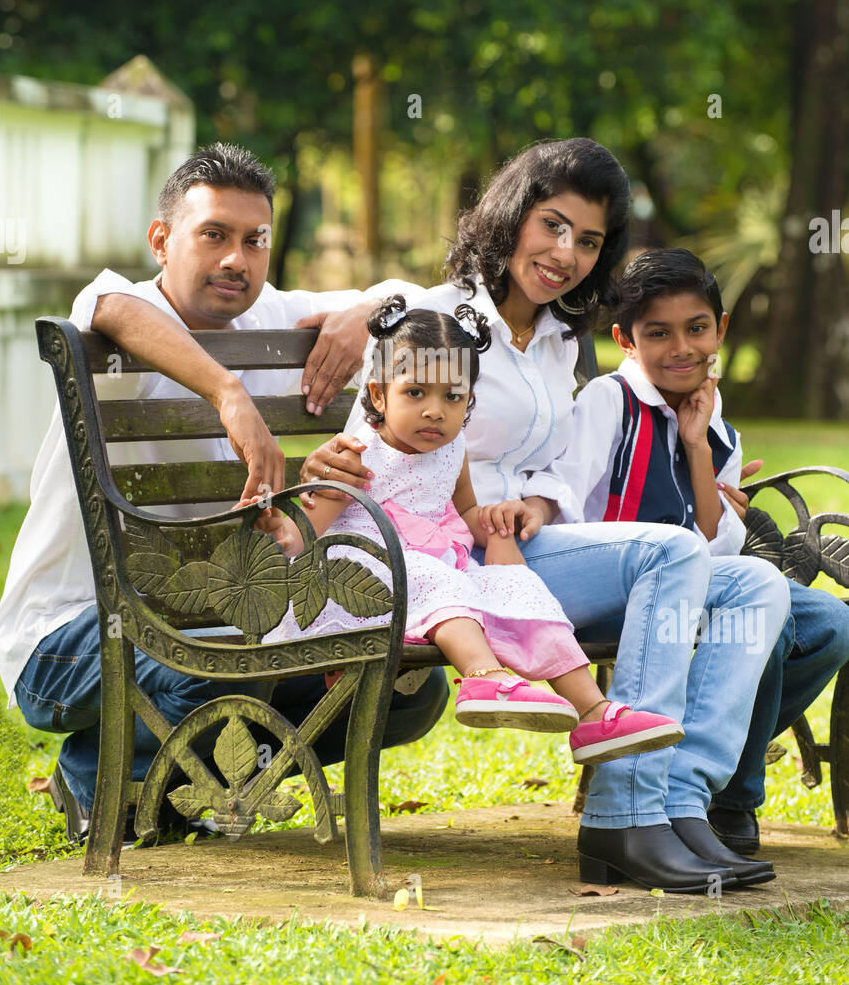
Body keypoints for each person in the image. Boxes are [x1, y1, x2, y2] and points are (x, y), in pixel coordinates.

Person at [302, 138, 791, 892]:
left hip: (525, 548)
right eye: (552, 225)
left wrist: (537, 500)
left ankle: (677, 804)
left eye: (588, 240)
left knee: (755, 588)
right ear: (510, 216)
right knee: (671, 553)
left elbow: (554, 468)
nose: (566, 253)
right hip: (455, 558)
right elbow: (378, 422)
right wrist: (363, 307)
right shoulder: (439, 320)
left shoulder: (562, 337)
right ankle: (622, 818)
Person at [0, 142, 447, 841]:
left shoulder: (274, 317)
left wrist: (366, 313)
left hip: (216, 618)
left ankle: (146, 771)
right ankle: (109, 775)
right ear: (162, 241)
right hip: (71, 637)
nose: (236, 258)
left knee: (404, 688)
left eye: (253, 241)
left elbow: (420, 298)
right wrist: (227, 391)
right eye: (213, 235)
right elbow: (101, 301)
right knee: (231, 651)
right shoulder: (131, 314)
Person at [273, 295, 683, 761]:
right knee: (438, 577)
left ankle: (593, 712)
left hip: (433, 573)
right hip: (361, 578)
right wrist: (277, 523)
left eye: (453, 397)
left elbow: (466, 514)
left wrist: (495, 525)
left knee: (519, 586)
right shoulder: (356, 454)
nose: (435, 410)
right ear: (378, 394)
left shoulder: (452, 450)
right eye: (416, 393)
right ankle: (483, 679)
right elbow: (304, 535)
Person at [557, 247, 849, 857]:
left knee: (830, 622)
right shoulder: (609, 404)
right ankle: (733, 799)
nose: (682, 347)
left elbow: (720, 546)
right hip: (617, 590)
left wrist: (696, 448)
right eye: (658, 333)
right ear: (625, 339)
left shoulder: (718, 430)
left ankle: (699, 760)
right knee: (761, 619)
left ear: (721, 329)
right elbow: (569, 512)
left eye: (697, 329)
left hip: (700, 584)